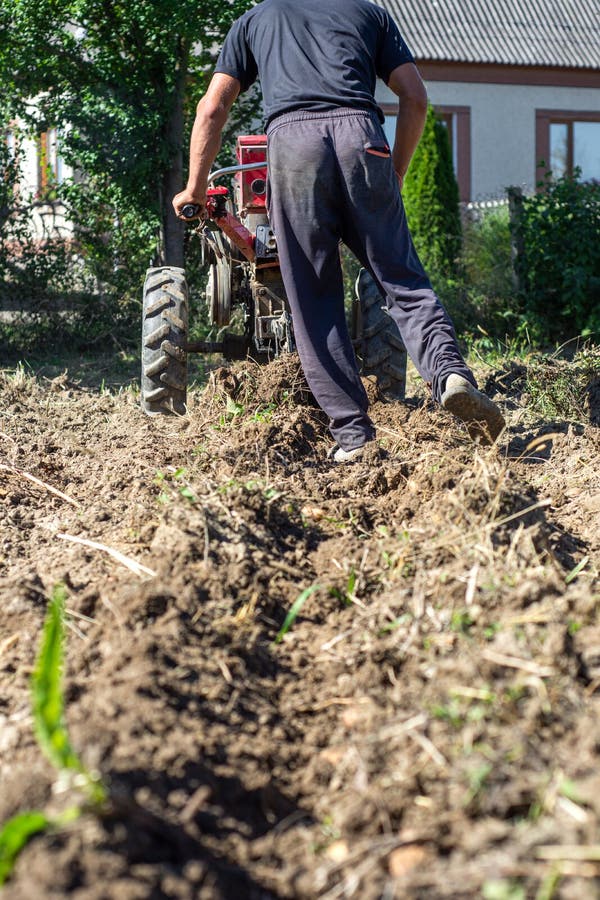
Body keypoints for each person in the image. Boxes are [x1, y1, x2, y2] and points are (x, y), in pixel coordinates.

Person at [173, 0, 505, 461]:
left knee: (313, 296)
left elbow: (213, 107)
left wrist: (193, 188)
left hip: (294, 148)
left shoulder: (256, 19)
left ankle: (353, 435)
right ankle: (450, 374)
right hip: (362, 140)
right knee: (402, 280)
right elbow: (416, 97)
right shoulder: (368, 13)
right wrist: (395, 177)